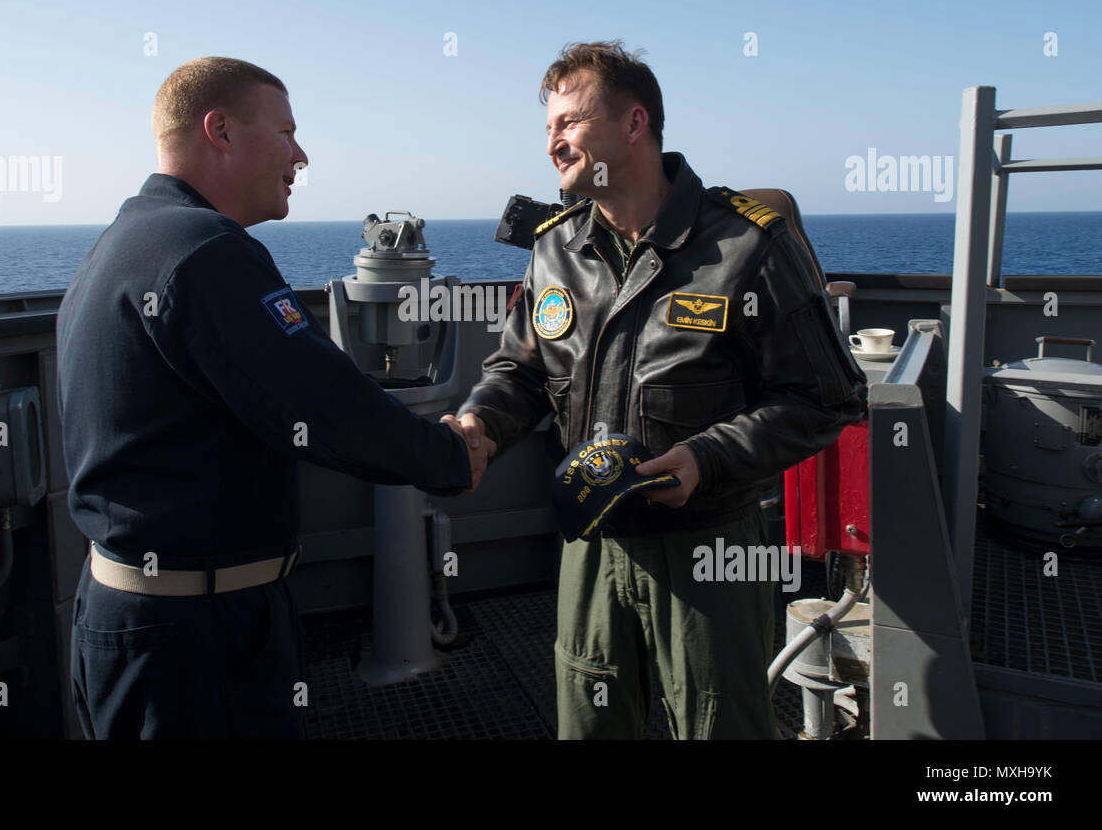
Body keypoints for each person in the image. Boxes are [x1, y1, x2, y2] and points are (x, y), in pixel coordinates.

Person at [56, 56, 492, 739]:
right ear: (220, 129)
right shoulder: (204, 250)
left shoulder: (123, 243)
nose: (301, 154)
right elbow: (321, 404)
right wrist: (448, 456)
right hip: (196, 637)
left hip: (132, 616)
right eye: (286, 131)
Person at [447, 41, 866, 739]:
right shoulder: (557, 249)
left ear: (634, 125)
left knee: (718, 722)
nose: (553, 143)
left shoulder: (746, 246)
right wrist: (480, 423)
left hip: (707, 545)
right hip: (592, 541)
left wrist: (709, 455)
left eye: (571, 123)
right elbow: (518, 369)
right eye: (548, 127)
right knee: (590, 719)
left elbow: (828, 397)